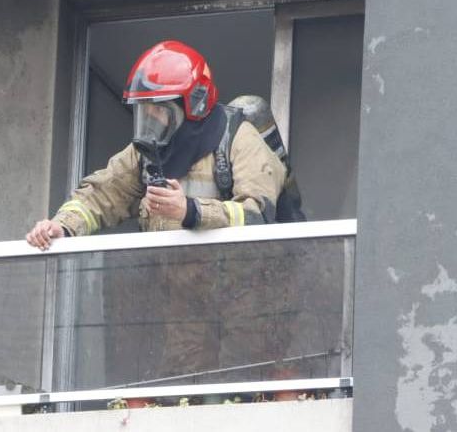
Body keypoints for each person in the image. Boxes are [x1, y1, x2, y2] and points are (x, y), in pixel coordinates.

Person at [25, 40, 287, 380]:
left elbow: (257, 215)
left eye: (159, 109)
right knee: (181, 396)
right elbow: (100, 194)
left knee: (246, 387)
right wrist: (62, 226)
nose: (149, 121)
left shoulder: (237, 139)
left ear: (191, 105)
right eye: (143, 111)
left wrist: (191, 211)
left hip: (248, 308)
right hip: (181, 312)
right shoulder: (146, 154)